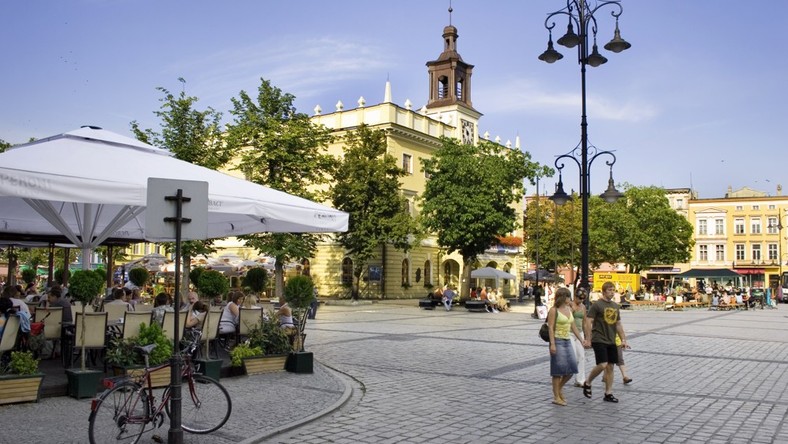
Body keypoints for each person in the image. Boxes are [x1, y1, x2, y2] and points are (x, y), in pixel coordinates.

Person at [582, 281, 629, 403]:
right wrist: (588, 338)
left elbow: (618, 324)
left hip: (611, 339)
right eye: (609, 290)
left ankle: (608, 393)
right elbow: (588, 321)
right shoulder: (597, 305)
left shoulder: (615, 306)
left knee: (610, 367)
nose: (612, 292)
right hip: (599, 338)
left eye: (613, 290)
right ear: (603, 291)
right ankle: (587, 382)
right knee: (602, 364)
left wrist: (623, 339)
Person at [547, 287, 583, 406]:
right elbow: (550, 327)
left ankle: (559, 389)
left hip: (567, 340)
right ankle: (556, 396)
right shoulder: (554, 310)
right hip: (557, 340)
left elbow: (573, 326)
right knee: (557, 371)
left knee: (572, 369)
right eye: (568, 297)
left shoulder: (569, 309)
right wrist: (552, 344)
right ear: (563, 297)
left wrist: (582, 340)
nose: (570, 299)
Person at [571, 288, 588, 388]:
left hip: (580, 332)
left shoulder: (583, 307)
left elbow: (584, 322)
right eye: (579, 298)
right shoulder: (570, 305)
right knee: (574, 356)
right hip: (570, 333)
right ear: (575, 296)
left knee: (581, 356)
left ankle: (580, 379)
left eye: (582, 299)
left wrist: (586, 336)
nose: (581, 301)